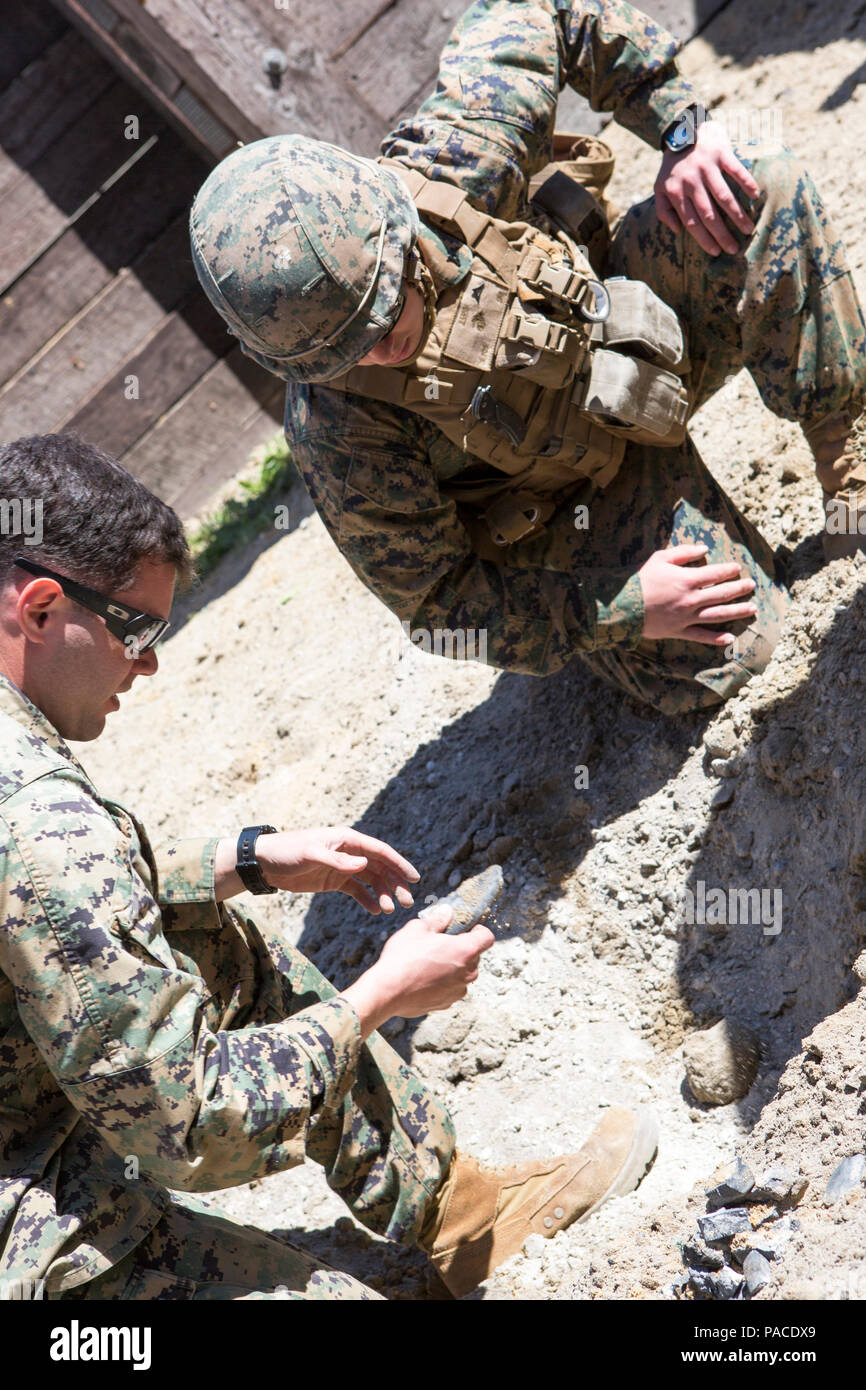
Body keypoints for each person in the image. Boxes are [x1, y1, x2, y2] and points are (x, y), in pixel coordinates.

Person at [0, 433, 658, 1301]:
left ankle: (462, 1218)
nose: (150, 662)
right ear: (42, 608)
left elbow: (46, 909)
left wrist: (248, 860)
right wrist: (378, 997)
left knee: (203, 937)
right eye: (136, 631)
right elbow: (187, 1125)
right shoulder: (38, 820)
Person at [189, 0, 866, 715]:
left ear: (398, 231)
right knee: (742, 655)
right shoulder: (337, 434)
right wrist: (620, 607)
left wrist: (680, 129)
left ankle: (851, 457)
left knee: (754, 189)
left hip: (634, 348)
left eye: (387, 307)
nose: (381, 348)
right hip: (572, 509)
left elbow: (545, 13)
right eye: (345, 354)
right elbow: (440, 611)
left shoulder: (458, 156)